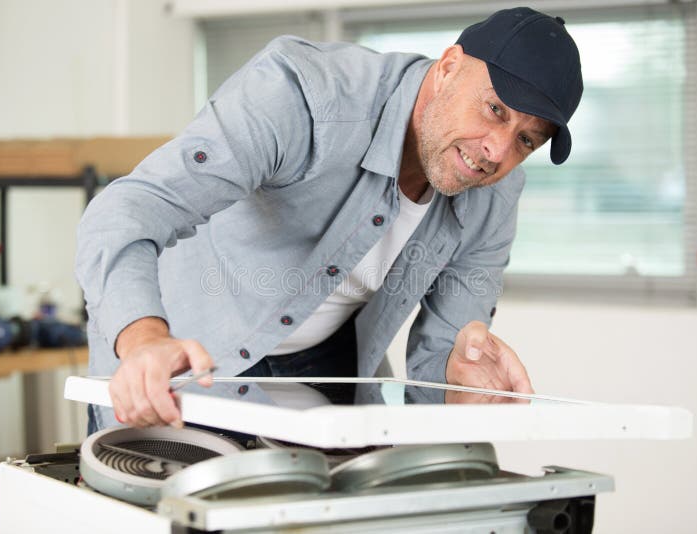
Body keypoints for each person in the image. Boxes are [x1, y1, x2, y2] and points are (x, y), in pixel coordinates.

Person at [76, 6, 583, 431]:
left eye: (526, 139)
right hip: (185, 351)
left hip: (329, 366)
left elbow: (443, 362)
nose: (497, 151)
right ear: (449, 67)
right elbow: (128, 210)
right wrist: (144, 343)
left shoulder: (495, 190)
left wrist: (461, 381)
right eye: (495, 109)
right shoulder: (305, 96)